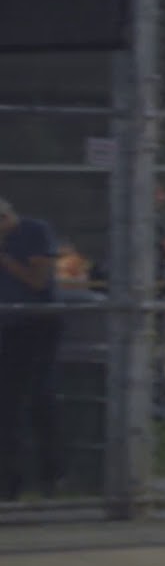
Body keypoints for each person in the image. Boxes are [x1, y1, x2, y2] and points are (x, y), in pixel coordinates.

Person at [0, 196, 62, 500]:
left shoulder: (34, 231)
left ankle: (50, 475)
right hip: (6, 326)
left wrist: (7, 260)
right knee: (7, 406)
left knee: (39, 398)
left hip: (36, 324)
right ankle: (11, 482)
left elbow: (39, 281)